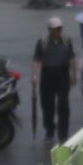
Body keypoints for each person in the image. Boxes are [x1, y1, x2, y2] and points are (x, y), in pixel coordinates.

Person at [33, 18, 76, 147]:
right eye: (55, 29)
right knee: (47, 106)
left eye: (60, 28)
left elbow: (71, 58)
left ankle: (63, 135)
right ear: (50, 30)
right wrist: (35, 75)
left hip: (62, 74)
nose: (58, 31)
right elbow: (36, 59)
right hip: (47, 74)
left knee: (63, 105)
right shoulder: (43, 42)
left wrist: (73, 74)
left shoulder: (67, 41)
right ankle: (50, 131)